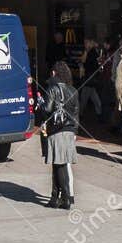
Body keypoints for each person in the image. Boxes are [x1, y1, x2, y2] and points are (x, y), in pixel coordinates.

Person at [36, 60, 80, 209]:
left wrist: (41, 104)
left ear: (54, 73)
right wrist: (75, 131)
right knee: (59, 164)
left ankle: (66, 198)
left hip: (57, 130)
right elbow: (75, 114)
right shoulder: (73, 90)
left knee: (59, 165)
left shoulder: (52, 89)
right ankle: (55, 197)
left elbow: (47, 110)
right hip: (69, 130)